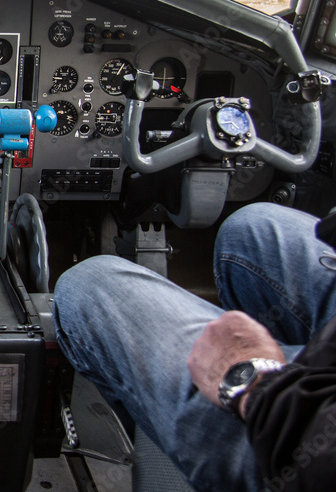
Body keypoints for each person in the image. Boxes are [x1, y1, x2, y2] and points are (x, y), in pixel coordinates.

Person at [53, 202, 336, 491]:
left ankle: (173, 443)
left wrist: (256, 381)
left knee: (90, 284)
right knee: (251, 229)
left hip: (298, 432)